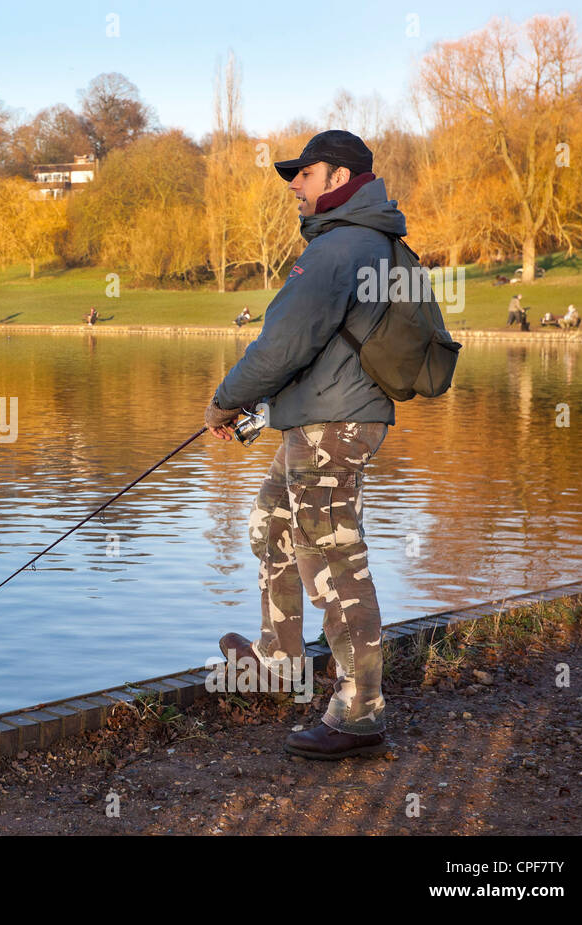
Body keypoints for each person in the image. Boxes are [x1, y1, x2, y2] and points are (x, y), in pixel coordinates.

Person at [206, 130, 399, 760]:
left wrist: (227, 399)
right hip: (325, 417)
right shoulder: (374, 243)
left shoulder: (340, 248)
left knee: (334, 559)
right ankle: (278, 661)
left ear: (338, 179)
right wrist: (270, 407)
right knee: (273, 524)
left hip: (332, 428)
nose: (293, 183)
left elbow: (283, 345)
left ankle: (359, 712)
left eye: (305, 173)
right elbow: (325, 349)